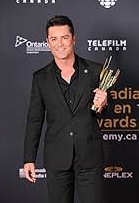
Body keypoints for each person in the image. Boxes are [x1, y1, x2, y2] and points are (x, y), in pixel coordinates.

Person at [23, 15, 107, 203]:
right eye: (54, 39)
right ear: (47, 42)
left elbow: (105, 109)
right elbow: (34, 119)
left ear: (74, 39)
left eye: (64, 37)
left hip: (89, 157)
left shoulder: (95, 70)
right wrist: (29, 158)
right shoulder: (40, 78)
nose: (59, 44)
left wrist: (103, 105)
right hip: (57, 158)